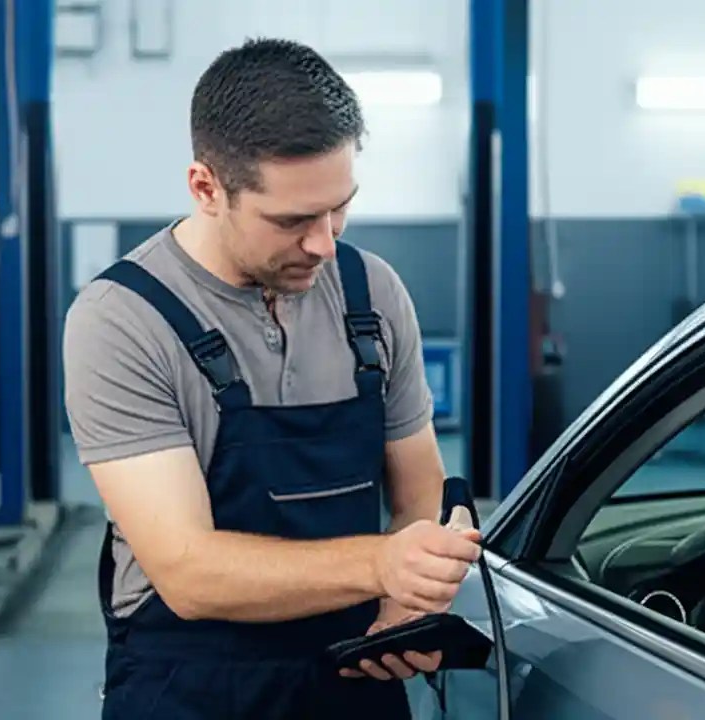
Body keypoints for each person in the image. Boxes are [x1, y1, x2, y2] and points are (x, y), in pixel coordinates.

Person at [62, 38, 483, 720]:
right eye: (291, 220)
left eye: (338, 207)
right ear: (206, 188)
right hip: (192, 684)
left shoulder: (371, 293)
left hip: (357, 671)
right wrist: (384, 564)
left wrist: (407, 604)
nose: (323, 241)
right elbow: (189, 572)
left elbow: (418, 490)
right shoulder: (122, 320)